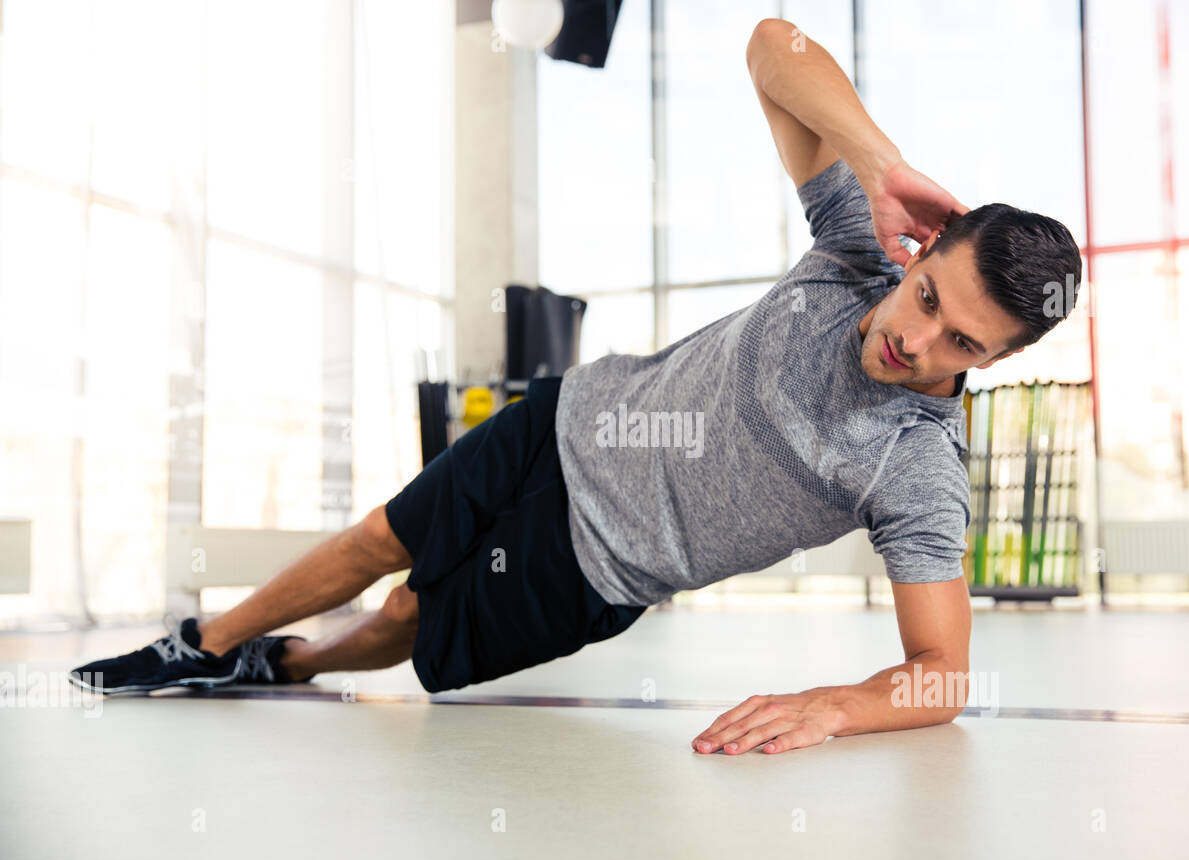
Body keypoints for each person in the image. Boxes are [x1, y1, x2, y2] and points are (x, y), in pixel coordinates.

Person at [69, 18, 1080, 756]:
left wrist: (838, 702)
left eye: (962, 343)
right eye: (930, 294)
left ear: (991, 363)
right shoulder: (859, 245)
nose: (920, 338)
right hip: (569, 419)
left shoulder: (917, 469)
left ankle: (282, 663)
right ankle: (201, 644)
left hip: (592, 564)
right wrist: (876, 158)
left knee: (400, 620)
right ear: (920, 247)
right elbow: (773, 44)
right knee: (382, 534)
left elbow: (940, 667)